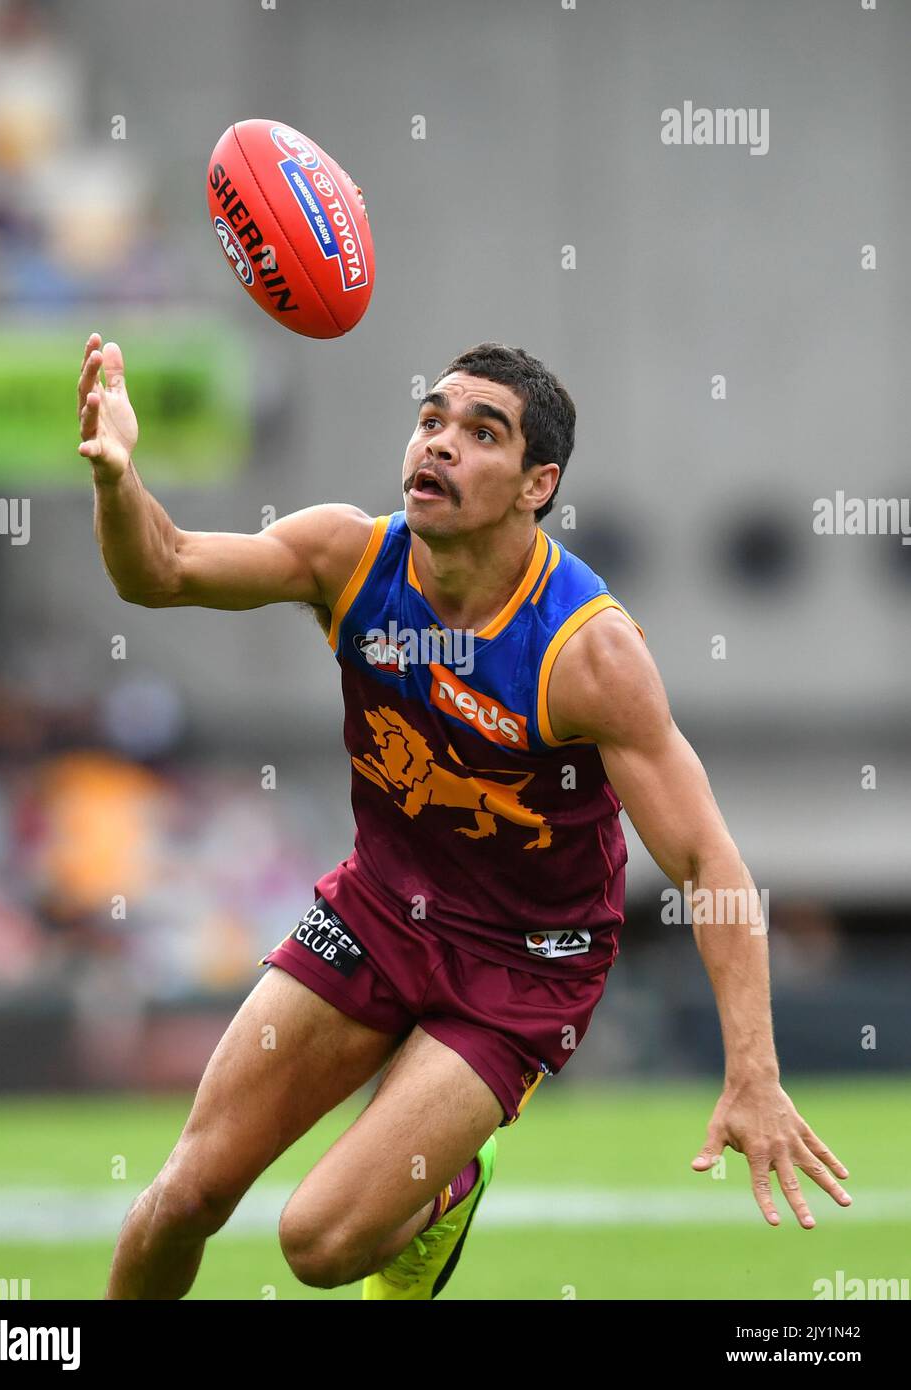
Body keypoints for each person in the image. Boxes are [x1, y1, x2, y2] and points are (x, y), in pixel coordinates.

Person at [77, 332, 851, 1301]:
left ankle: (444, 1190)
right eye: (429, 420)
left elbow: (705, 862)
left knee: (315, 1246)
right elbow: (165, 568)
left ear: (538, 483)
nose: (437, 444)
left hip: (523, 964)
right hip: (374, 914)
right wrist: (117, 478)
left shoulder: (587, 652)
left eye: (480, 432)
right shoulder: (347, 557)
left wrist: (753, 1072)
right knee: (184, 1193)